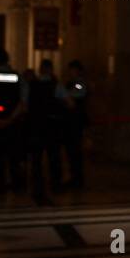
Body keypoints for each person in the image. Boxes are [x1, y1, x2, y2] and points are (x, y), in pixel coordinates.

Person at [0, 49, 27, 194]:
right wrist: (10, 119)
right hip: (14, 122)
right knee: (14, 155)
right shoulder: (18, 77)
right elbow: (23, 102)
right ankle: (17, 184)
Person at [24, 58, 65, 200]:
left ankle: (37, 187)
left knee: (36, 159)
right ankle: (56, 185)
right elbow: (69, 102)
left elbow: (24, 103)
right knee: (54, 157)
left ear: (40, 69)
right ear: (51, 69)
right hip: (52, 125)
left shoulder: (31, 85)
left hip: (35, 126)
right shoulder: (57, 85)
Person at [57, 59, 88, 188]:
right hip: (69, 122)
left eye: (73, 69)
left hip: (77, 122)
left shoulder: (80, 83)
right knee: (70, 152)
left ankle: (77, 179)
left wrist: (64, 96)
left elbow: (78, 94)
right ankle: (74, 177)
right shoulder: (69, 83)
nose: (71, 72)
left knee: (76, 152)